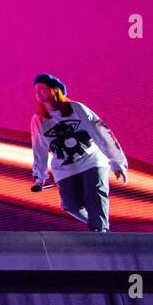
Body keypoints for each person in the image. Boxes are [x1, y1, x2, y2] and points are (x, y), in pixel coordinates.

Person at [29, 73, 128, 233]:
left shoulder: (77, 109)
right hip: (65, 169)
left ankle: (100, 232)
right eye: (35, 90)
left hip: (91, 161)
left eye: (41, 89)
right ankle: (97, 223)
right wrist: (39, 177)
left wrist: (117, 162)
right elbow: (38, 149)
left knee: (95, 197)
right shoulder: (38, 120)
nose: (37, 93)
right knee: (71, 206)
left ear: (54, 90)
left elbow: (101, 133)